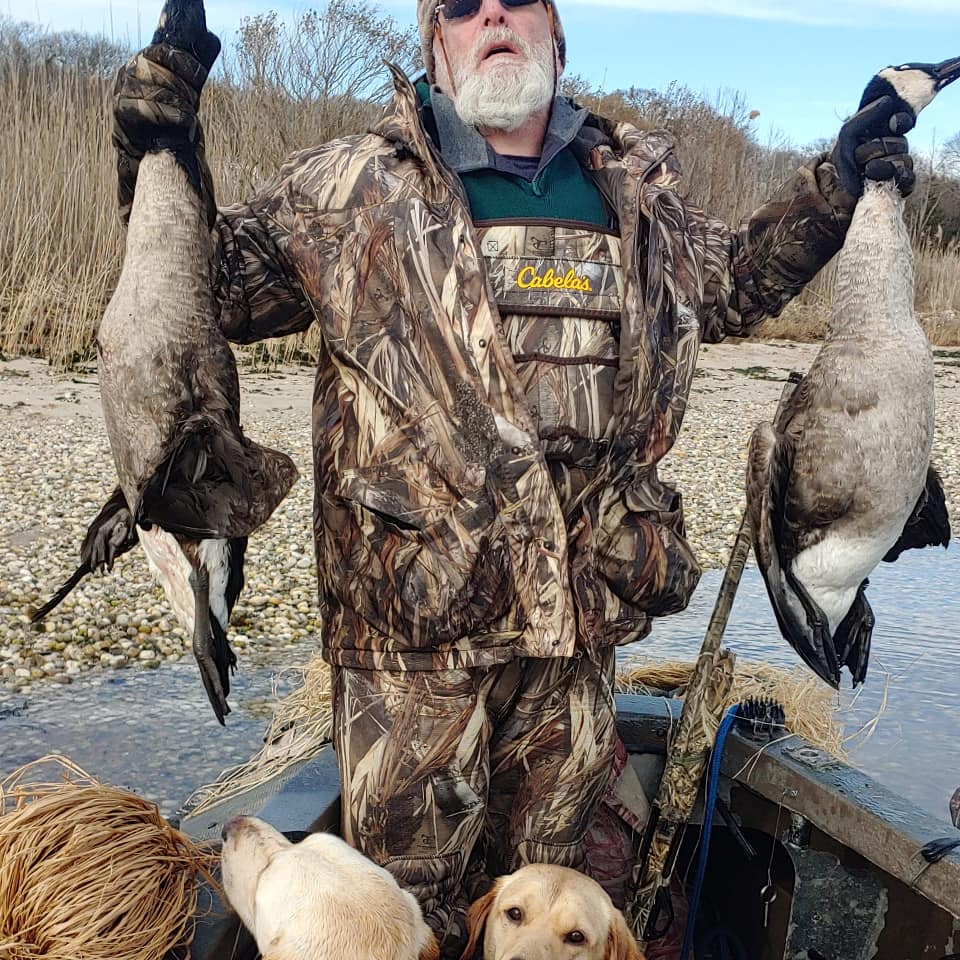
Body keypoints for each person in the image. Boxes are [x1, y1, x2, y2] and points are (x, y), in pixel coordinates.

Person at [112, 0, 916, 953]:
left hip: (575, 642)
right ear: (435, 42)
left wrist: (842, 184)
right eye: (460, 5)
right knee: (405, 919)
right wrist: (158, 146)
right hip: (414, 655)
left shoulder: (634, 191)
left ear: (554, 35)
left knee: (553, 910)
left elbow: (736, 281)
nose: (490, 11)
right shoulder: (344, 186)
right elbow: (203, 286)